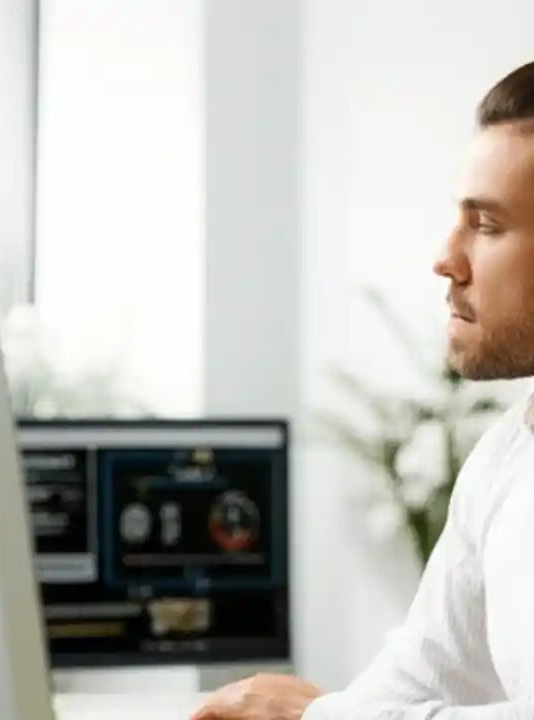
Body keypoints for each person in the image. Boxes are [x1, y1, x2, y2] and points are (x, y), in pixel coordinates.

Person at [192, 59, 534, 719]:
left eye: (487, 226)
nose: (447, 256)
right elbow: (421, 677)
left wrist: (321, 716)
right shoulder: (508, 455)